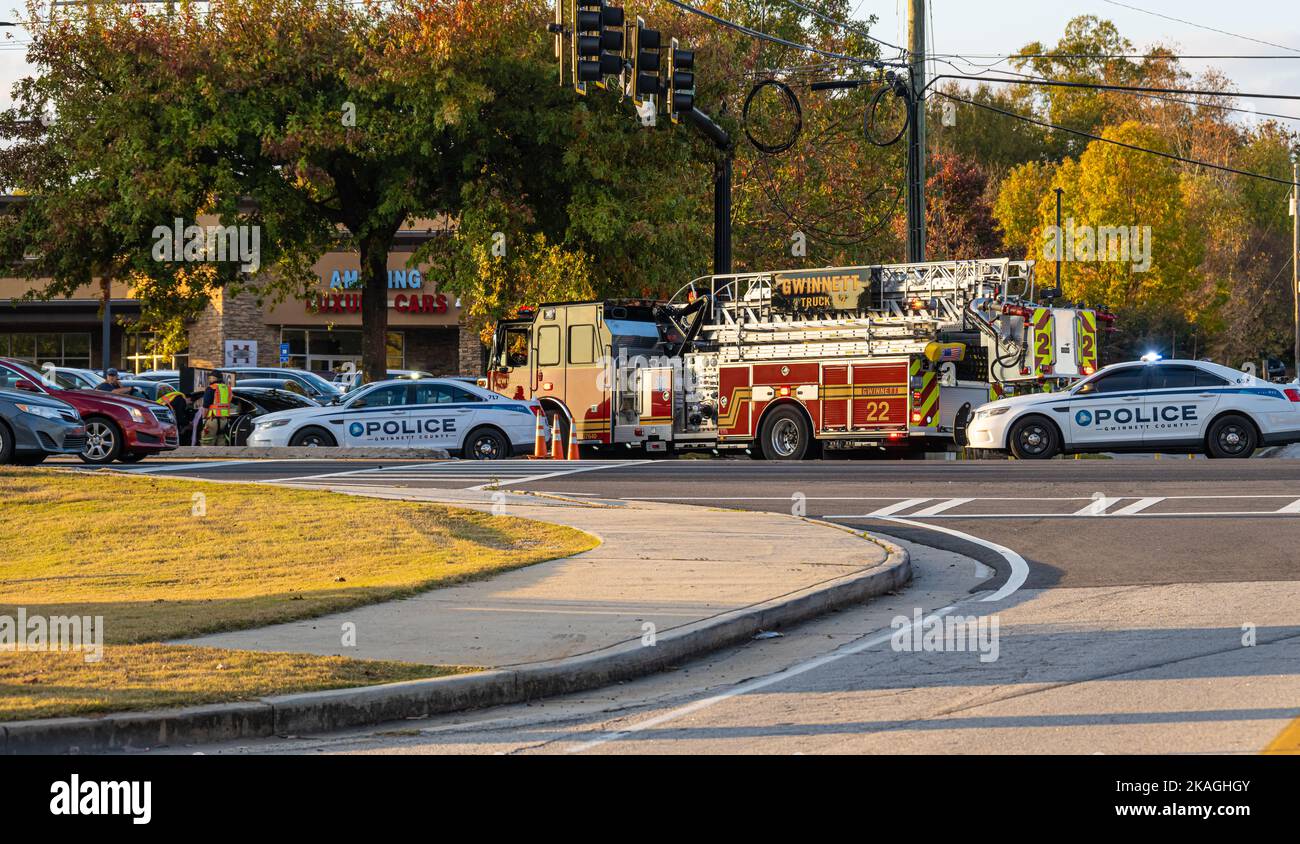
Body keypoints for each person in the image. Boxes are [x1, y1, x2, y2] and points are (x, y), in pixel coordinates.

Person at [200, 373, 233, 446]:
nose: (210, 379)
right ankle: (220, 457)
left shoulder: (211, 388)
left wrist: (204, 418)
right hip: (224, 420)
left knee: (207, 442)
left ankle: (206, 456)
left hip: (212, 419)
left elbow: (206, 406)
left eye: (211, 378)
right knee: (221, 442)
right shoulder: (227, 388)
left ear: (216, 378)